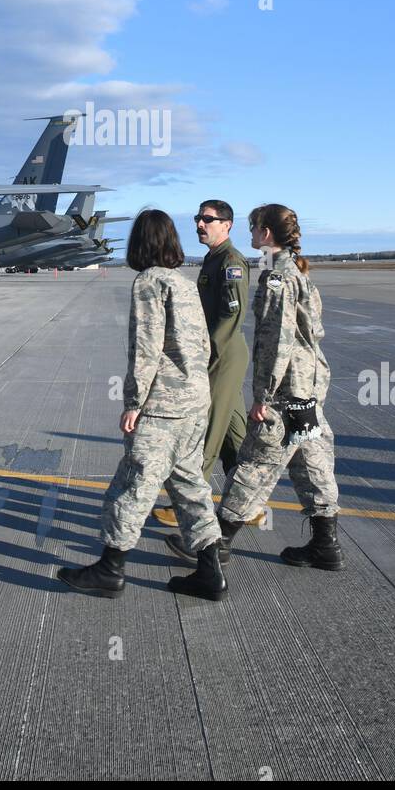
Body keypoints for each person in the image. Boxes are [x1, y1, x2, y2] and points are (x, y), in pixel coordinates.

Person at [57, 209, 227, 601]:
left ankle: (110, 569)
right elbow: (204, 345)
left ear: (140, 243)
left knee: (132, 486)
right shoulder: (183, 283)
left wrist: (134, 402)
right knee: (190, 487)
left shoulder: (149, 282)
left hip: (163, 406)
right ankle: (209, 571)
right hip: (194, 402)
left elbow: (146, 350)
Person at [174, 203, 345, 580]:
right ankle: (326, 544)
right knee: (311, 461)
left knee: (255, 463)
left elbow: (276, 341)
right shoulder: (298, 270)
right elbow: (314, 330)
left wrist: (263, 398)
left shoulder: (276, 276)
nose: (251, 233)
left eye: (254, 227)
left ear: (265, 233)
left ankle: (216, 545)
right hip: (310, 384)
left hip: (286, 390)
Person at [154, 199, 249, 540]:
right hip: (220, 355)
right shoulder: (213, 259)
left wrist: (206, 355)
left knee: (207, 429)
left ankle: (191, 505)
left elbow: (232, 316)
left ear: (227, 224)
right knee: (235, 436)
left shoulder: (231, 261)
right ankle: (248, 501)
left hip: (222, 356)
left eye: (208, 219)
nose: (199, 224)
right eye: (198, 218)